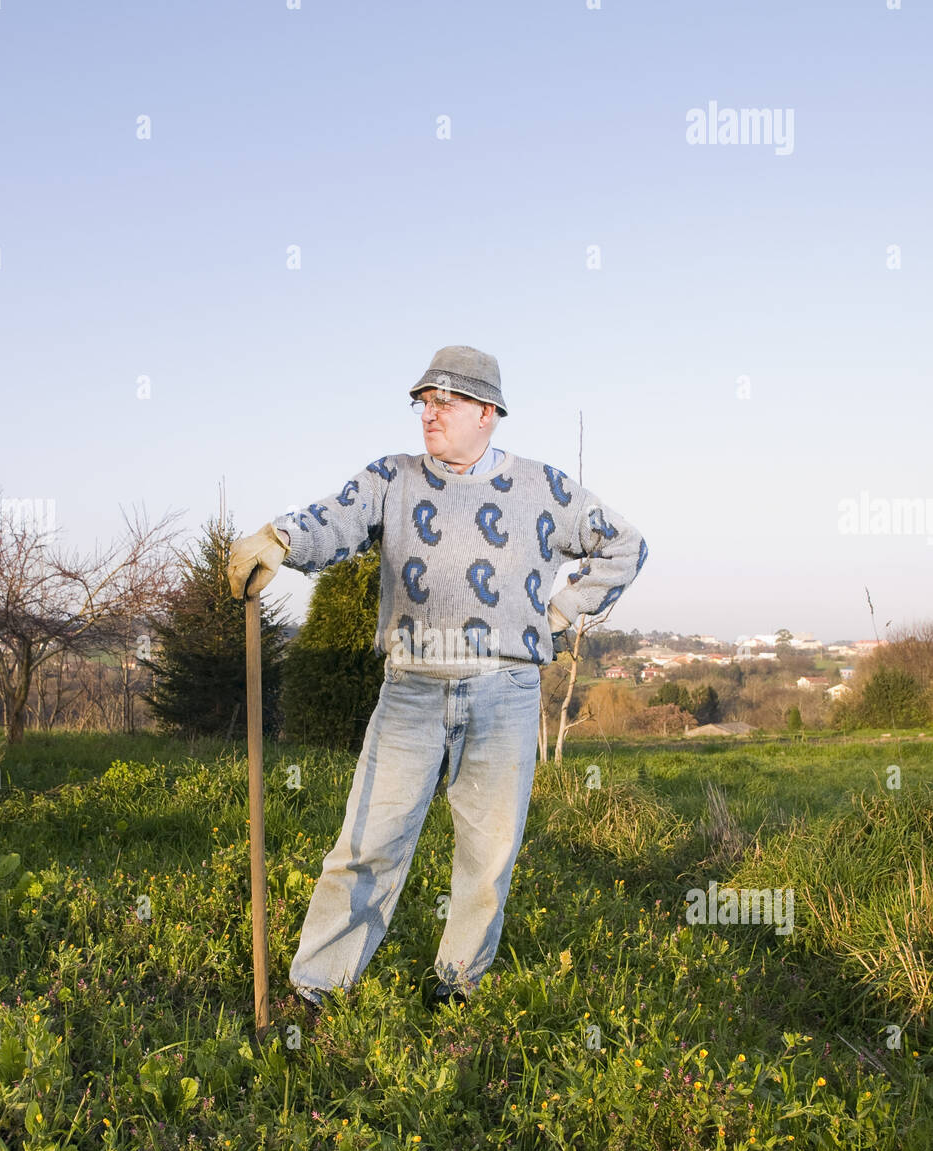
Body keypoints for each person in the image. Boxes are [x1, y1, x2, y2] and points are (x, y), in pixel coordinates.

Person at [227, 345, 648, 1014]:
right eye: (424, 401)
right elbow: (334, 519)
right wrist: (278, 538)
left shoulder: (544, 488)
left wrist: (565, 608)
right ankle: (316, 992)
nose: (430, 413)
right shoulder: (391, 480)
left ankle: (457, 986)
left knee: (486, 854)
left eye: (446, 401)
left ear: (488, 412)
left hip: (504, 689)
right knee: (367, 843)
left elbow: (624, 544)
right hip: (412, 688)